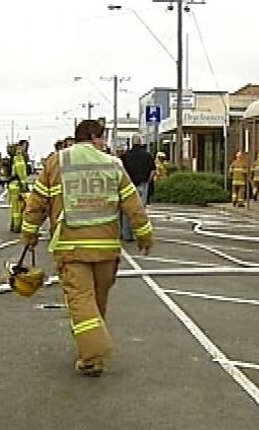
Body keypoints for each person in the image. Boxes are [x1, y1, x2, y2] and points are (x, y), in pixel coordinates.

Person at [20, 119, 154, 377]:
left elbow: (37, 202)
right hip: (106, 249)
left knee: (81, 300)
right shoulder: (113, 164)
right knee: (97, 300)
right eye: (103, 138)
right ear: (93, 137)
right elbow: (133, 203)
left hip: (72, 247)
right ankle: (91, 351)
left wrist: (29, 232)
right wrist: (144, 235)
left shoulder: (56, 162)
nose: (105, 143)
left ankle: (92, 355)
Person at [120, 134, 155, 242]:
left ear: (132, 142)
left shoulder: (126, 156)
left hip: (128, 186)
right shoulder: (147, 155)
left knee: (127, 211)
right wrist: (147, 182)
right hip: (142, 185)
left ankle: (127, 235)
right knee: (140, 210)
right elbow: (153, 171)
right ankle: (140, 234)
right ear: (140, 142)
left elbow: (121, 171)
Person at [7, 141, 30, 233]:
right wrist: (25, 186)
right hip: (18, 185)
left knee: (14, 208)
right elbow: (22, 174)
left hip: (12, 185)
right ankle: (17, 227)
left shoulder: (14, 158)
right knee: (19, 208)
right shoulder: (20, 158)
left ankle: (13, 225)